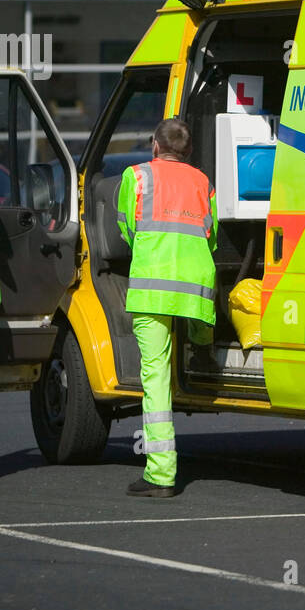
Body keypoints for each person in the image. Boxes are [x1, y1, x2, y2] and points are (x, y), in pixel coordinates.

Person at [118, 117, 218, 497]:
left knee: (155, 377)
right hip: (195, 286)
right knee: (201, 319)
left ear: (154, 144)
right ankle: (202, 345)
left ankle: (161, 474)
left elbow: (126, 226)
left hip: (151, 288)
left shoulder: (137, 175)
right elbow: (212, 235)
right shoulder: (203, 181)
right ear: (188, 151)